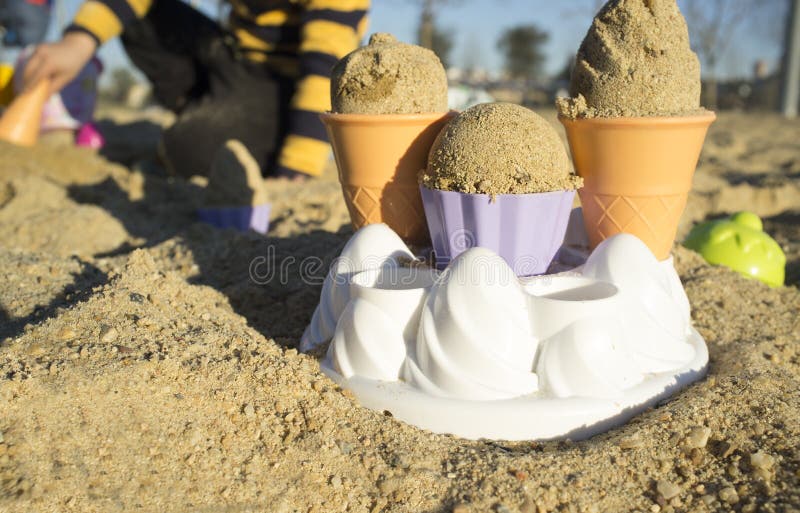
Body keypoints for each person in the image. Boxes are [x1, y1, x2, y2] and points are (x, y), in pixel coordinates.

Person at [22, 0, 370, 180]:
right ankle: (205, 114)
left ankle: (214, 130)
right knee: (142, 19)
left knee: (188, 147)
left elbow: (324, 68)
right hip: (233, 62)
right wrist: (78, 41)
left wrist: (298, 167)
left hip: (284, 96)